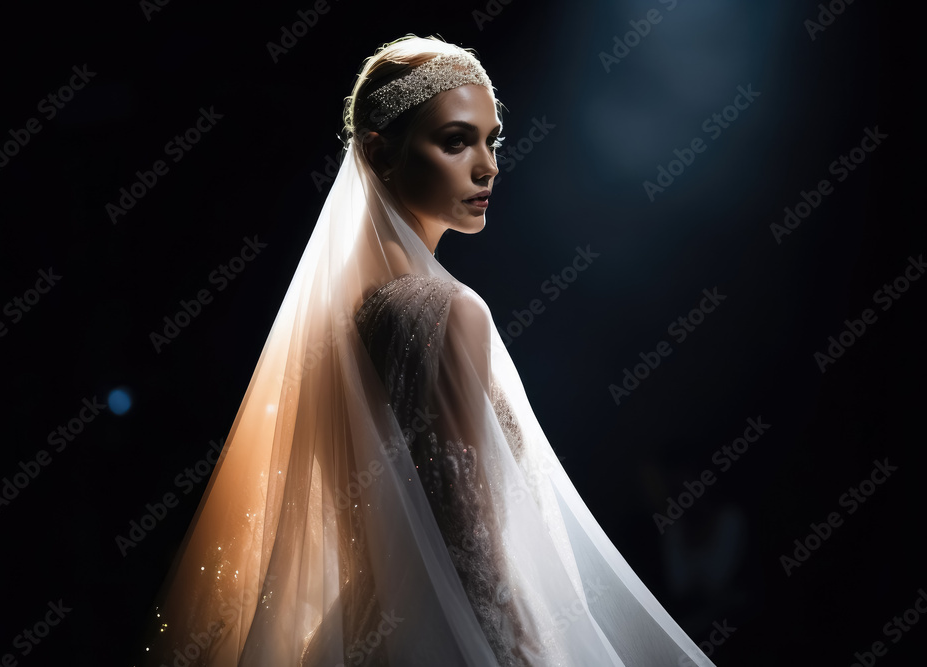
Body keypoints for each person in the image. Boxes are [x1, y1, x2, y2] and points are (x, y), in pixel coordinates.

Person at [134, 35, 717, 666]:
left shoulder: (342, 310)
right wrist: (522, 646)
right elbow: (464, 526)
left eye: (492, 141)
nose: (488, 167)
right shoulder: (444, 310)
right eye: (456, 141)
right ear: (379, 152)